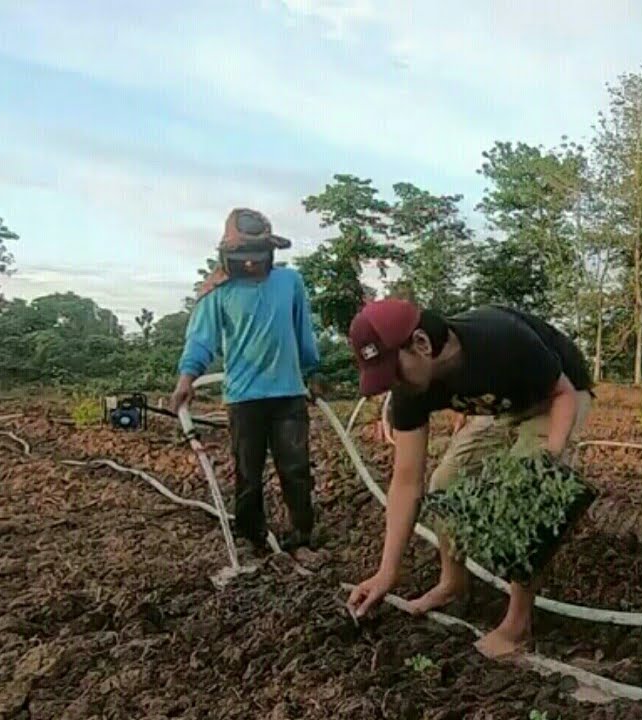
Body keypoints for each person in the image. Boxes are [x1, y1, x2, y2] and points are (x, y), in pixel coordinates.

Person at [343, 298, 594, 658]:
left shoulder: (499, 340)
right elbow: (406, 480)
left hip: (556, 394)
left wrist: (549, 459)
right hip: (497, 406)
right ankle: (453, 583)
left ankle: (517, 624)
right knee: (444, 484)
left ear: (422, 345)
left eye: (393, 371)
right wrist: (387, 572)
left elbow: (563, 392)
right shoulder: (410, 390)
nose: (392, 384)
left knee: (526, 492)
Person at [171, 208, 323, 554]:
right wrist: (186, 380)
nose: (252, 266)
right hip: (243, 397)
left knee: (296, 468)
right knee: (247, 472)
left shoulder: (290, 282)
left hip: (288, 395)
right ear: (228, 257)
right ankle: (250, 537)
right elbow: (201, 341)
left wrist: (312, 372)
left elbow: (303, 333)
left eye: (258, 259)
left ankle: (301, 536)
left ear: (270, 254)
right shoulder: (218, 292)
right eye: (244, 260)